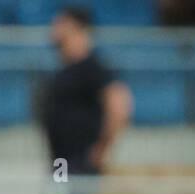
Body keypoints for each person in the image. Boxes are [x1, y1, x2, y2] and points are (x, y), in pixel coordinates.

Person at [39, 5, 132, 183]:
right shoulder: (64, 70)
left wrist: (100, 150)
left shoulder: (93, 67)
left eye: (59, 23)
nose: (54, 29)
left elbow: (120, 107)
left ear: (74, 27)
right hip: (61, 160)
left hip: (82, 162)